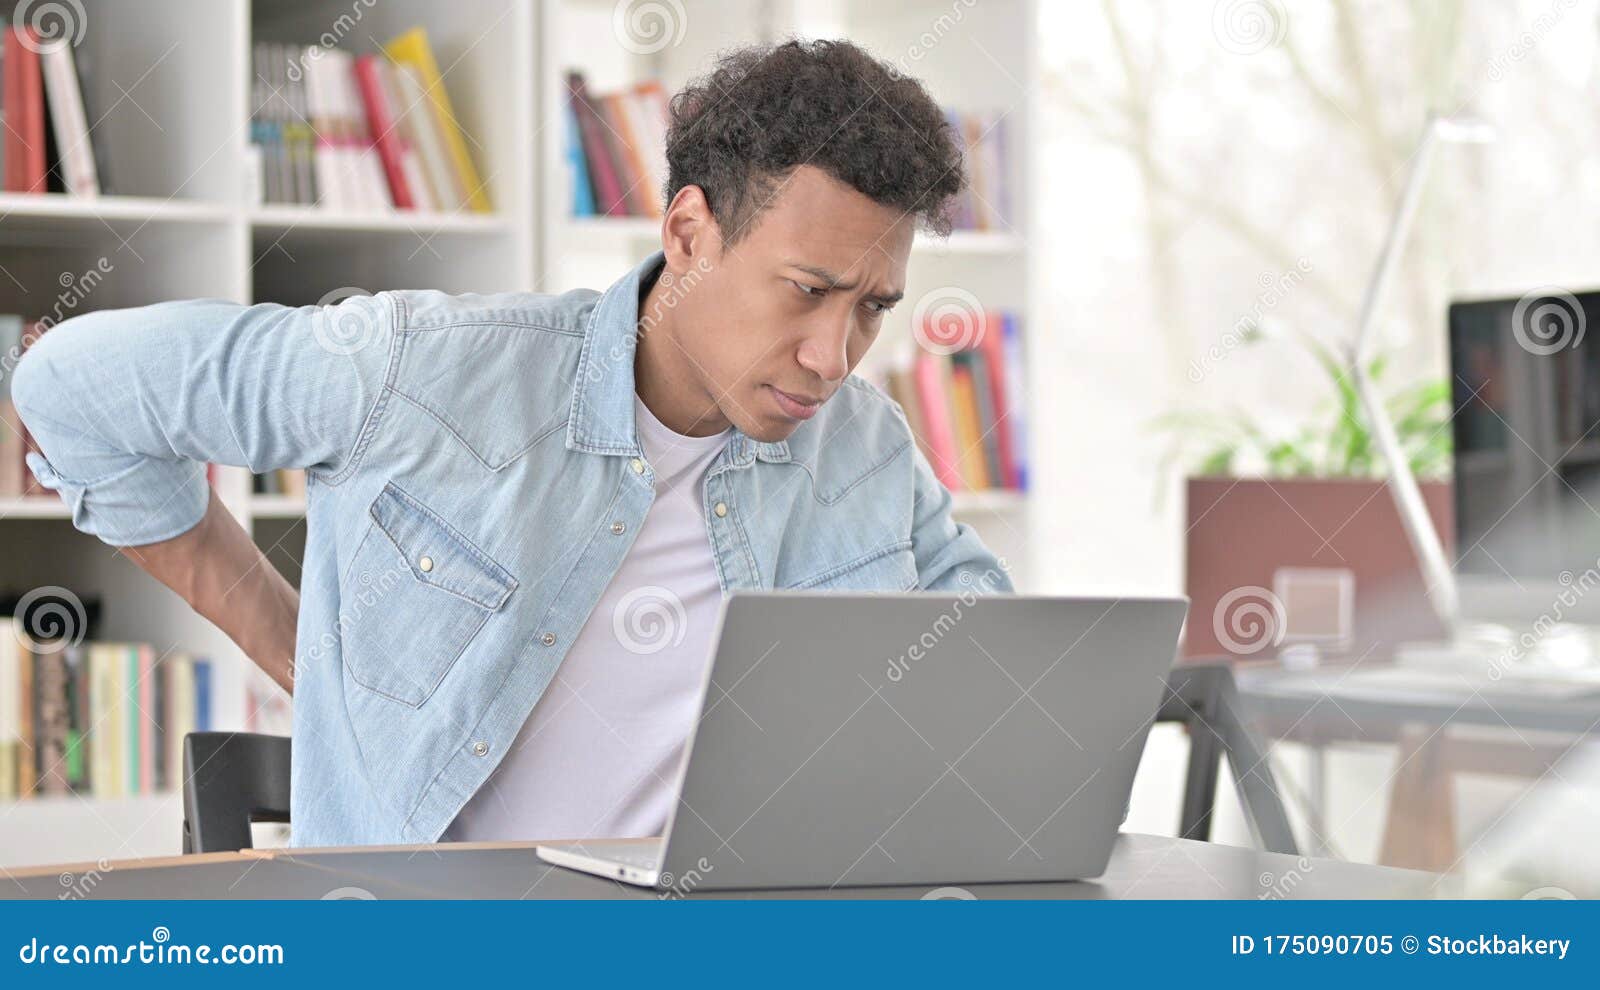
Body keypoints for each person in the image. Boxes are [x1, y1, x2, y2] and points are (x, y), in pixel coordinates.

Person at [12, 39, 1011, 846]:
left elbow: (997, 660)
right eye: (807, 292)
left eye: (874, 308)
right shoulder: (421, 370)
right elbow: (70, 389)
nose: (835, 357)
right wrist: (289, 645)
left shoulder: (866, 445)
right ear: (689, 233)